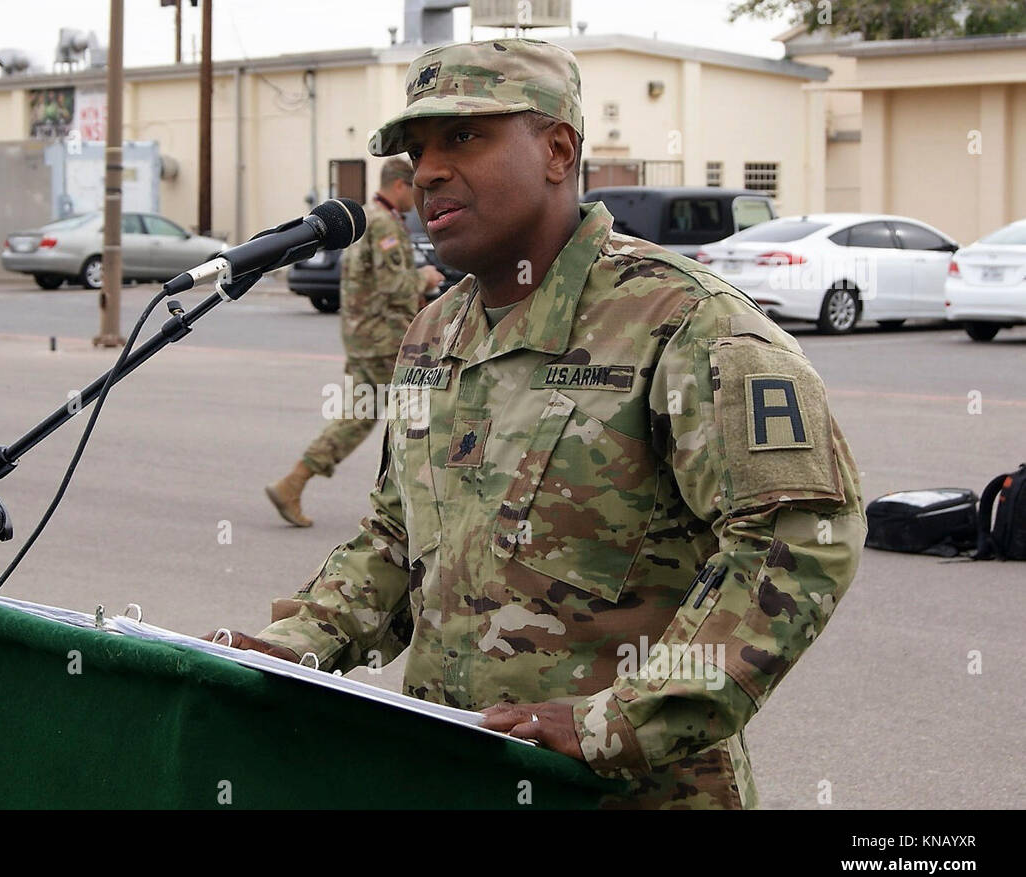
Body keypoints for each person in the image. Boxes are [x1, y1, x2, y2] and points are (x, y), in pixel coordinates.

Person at [214, 37, 864, 809]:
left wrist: (620, 721)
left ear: (558, 149)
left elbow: (797, 540)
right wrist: (296, 646)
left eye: (463, 136)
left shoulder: (687, 322)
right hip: (455, 774)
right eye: (418, 151)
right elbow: (396, 536)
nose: (427, 172)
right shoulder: (434, 333)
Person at [265, 157, 443, 527]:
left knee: (364, 415)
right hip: (384, 339)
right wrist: (423, 278)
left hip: (367, 337)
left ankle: (295, 482)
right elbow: (393, 285)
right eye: (414, 188)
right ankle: (408, 507)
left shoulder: (373, 218)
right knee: (417, 417)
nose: (418, 197)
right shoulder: (383, 225)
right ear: (398, 185)